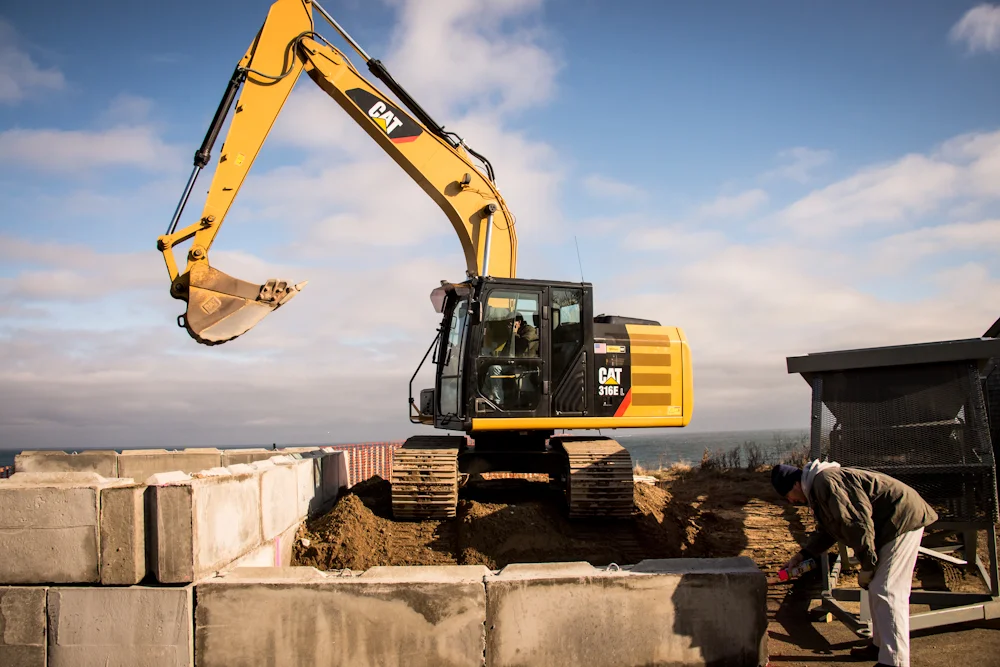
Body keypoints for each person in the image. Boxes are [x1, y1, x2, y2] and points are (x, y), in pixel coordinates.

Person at [771, 460, 938, 667]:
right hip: (889, 524)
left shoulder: (825, 482)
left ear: (794, 485)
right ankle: (879, 645)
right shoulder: (818, 486)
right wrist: (803, 554)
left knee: (887, 590)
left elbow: (856, 523)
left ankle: (895, 661)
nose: (791, 502)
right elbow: (830, 529)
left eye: (788, 497)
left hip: (901, 519)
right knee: (877, 588)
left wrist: (868, 564)